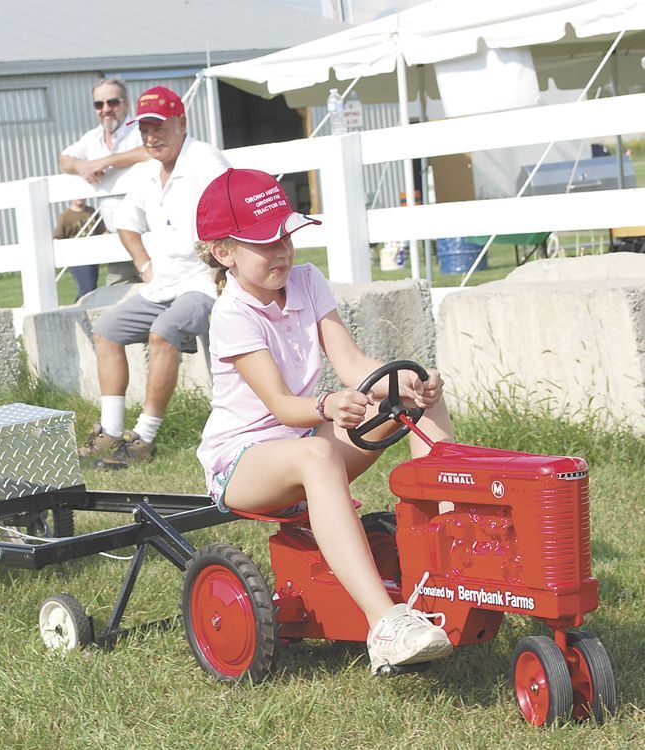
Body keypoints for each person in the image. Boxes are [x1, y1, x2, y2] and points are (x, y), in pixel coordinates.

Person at [193, 167, 454, 674]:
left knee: (421, 399)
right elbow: (282, 405)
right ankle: (386, 625)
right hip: (243, 463)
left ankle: (447, 554)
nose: (283, 251)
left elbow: (355, 366)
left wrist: (405, 386)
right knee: (314, 453)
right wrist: (327, 406)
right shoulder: (232, 315)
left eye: (287, 235)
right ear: (225, 253)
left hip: (306, 436)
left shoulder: (307, 281)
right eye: (266, 243)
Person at [78, 86, 230, 469]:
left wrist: (223, 270)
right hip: (163, 284)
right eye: (144, 128)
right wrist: (145, 265)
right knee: (106, 332)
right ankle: (110, 432)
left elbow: (229, 218)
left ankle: (144, 438)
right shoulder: (147, 171)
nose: (150, 136)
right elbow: (126, 225)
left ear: (181, 123)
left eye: (158, 126)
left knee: (163, 331)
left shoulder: (206, 162)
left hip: (204, 282)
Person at [59, 78, 148, 286]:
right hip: (118, 240)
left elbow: (149, 151)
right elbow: (63, 161)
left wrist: (106, 161)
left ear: (126, 103)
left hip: (148, 235)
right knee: (119, 300)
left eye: (113, 102)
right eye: (99, 104)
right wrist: (82, 166)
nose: (106, 109)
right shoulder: (92, 138)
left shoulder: (140, 130)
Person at [53, 198, 106, 300]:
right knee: (87, 288)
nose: (80, 198)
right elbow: (58, 237)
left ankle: (78, 307)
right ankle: (81, 309)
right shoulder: (66, 216)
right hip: (76, 257)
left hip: (92, 255)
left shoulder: (91, 212)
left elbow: (102, 231)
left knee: (91, 287)